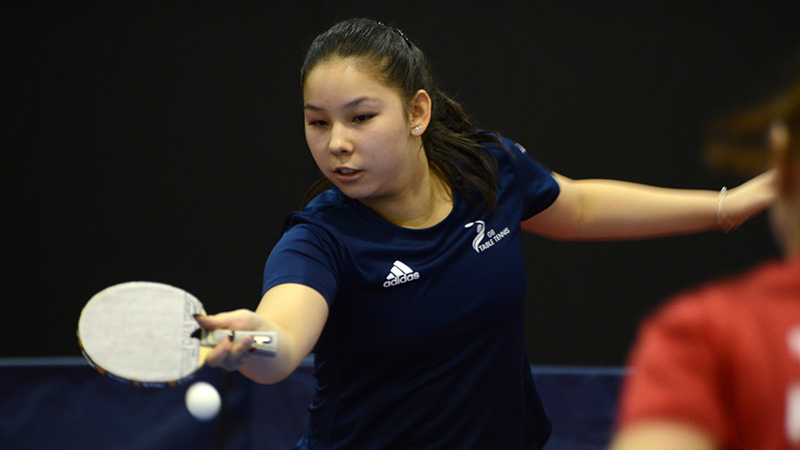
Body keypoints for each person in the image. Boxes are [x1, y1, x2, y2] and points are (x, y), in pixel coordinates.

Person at [195, 18, 774, 449]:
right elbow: (284, 336)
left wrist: (730, 205)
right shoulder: (318, 239)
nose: (336, 142)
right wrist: (257, 338)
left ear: (417, 113)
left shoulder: (486, 169)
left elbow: (580, 207)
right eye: (317, 122)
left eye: (360, 117)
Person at [609, 59, 800, 449]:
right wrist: (724, 206)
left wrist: (724, 207)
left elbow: (576, 206)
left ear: (780, 156)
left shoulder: (704, 334)